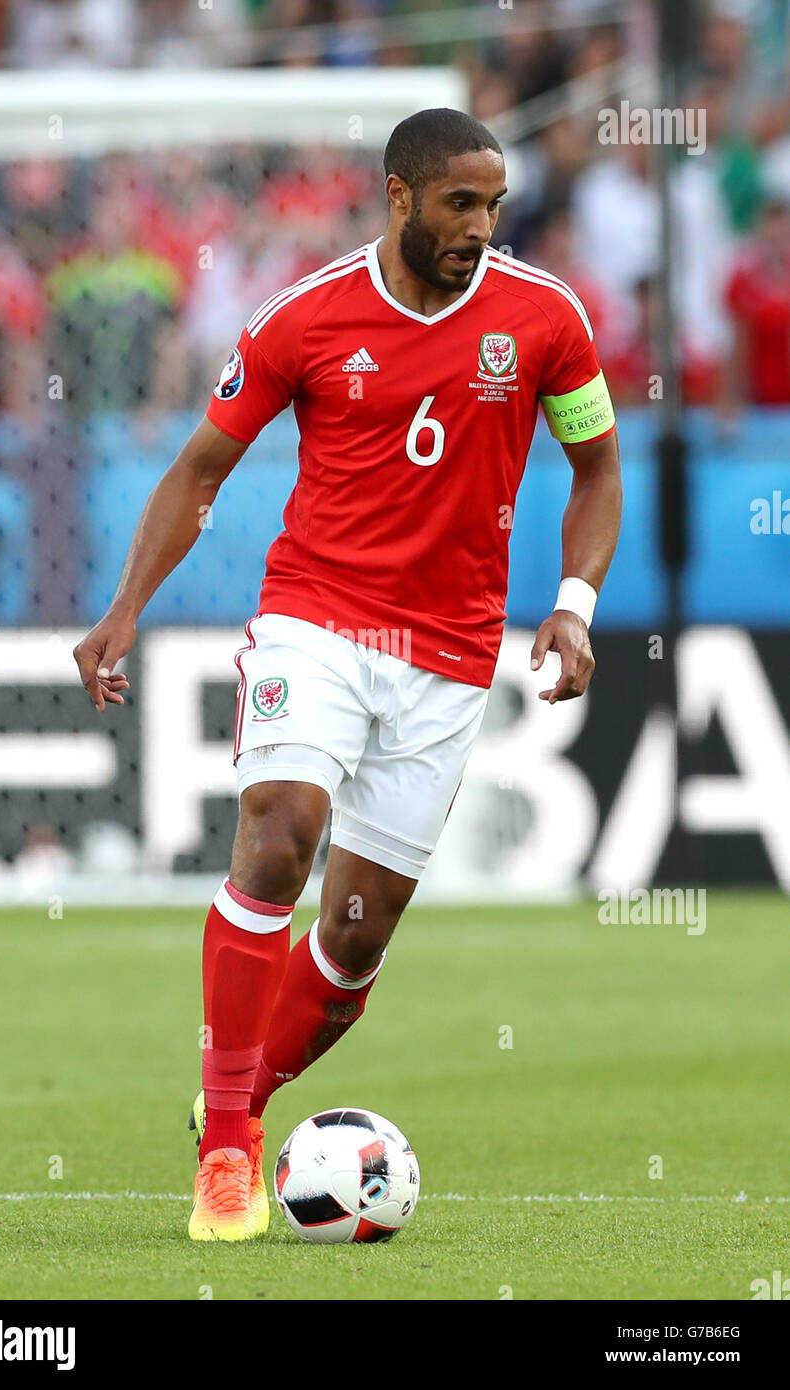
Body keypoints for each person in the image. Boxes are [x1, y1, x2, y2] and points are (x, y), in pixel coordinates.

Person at [73, 108, 622, 1243]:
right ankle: (226, 1155)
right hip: (315, 620)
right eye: (458, 204)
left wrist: (573, 606)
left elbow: (597, 467)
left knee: (356, 935)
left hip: (450, 656)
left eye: (493, 206)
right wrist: (125, 607)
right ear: (398, 197)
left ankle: (236, 1093)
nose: (479, 227)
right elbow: (199, 470)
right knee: (278, 831)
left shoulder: (544, 320)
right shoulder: (307, 316)